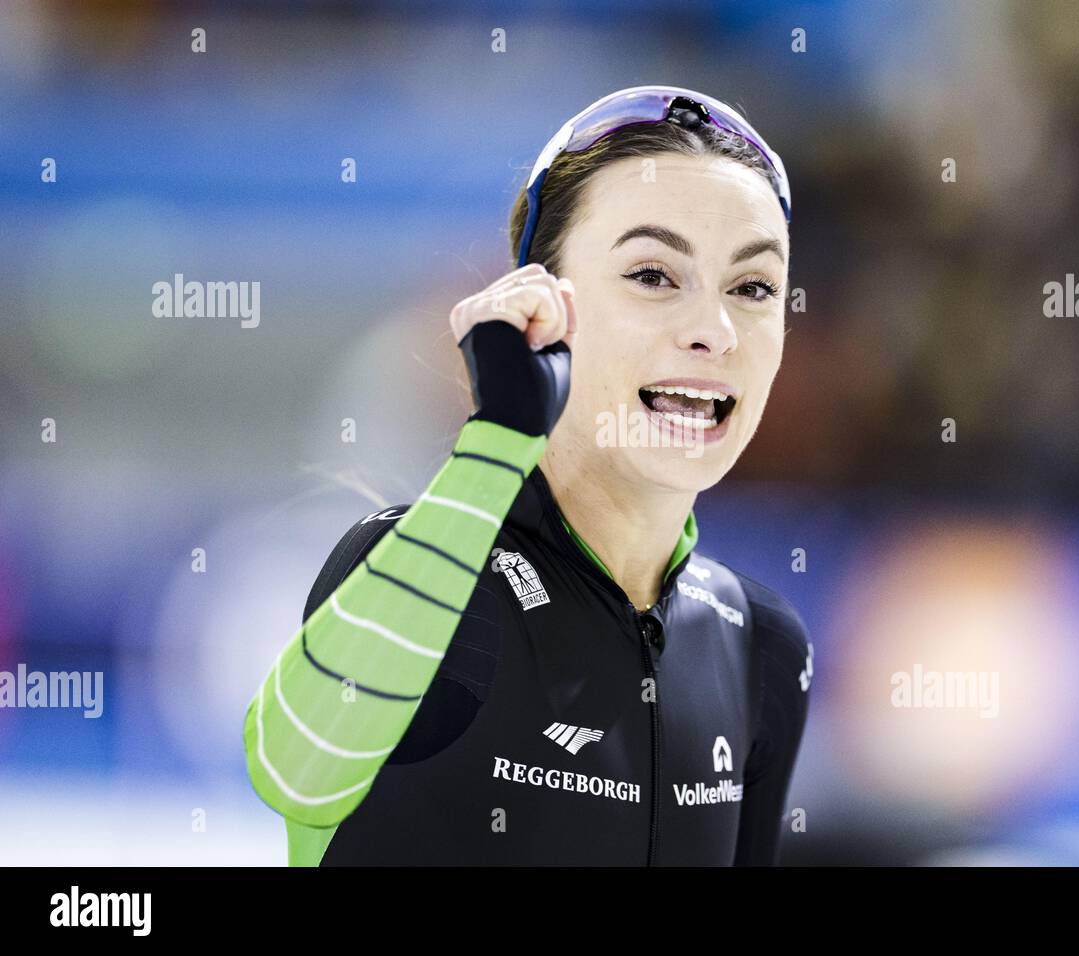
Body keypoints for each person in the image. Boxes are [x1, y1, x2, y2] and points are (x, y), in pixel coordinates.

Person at [242, 85, 813, 866]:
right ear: (540, 300)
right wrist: (499, 439)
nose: (713, 331)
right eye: (652, 275)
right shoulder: (432, 579)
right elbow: (290, 769)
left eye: (752, 288)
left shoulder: (762, 648)